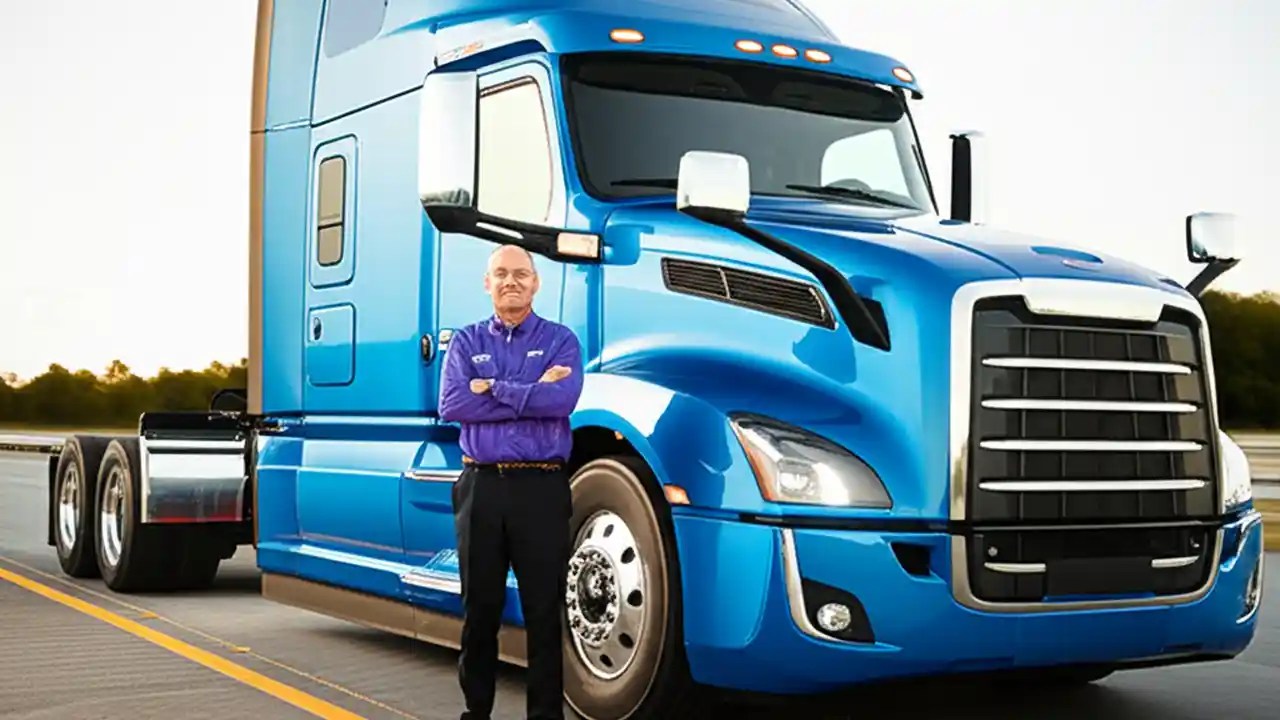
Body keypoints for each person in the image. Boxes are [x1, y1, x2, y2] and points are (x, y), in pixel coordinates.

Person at [438, 244, 584, 720]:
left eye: (521, 273)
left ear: (536, 282)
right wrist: (532, 390)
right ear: (487, 283)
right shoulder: (466, 341)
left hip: (541, 488)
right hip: (480, 488)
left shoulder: (561, 340)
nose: (511, 281)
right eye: (500, 273)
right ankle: (475, 712)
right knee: (480, 610)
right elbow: (453, 404)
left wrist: (494, 388)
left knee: (544, 612)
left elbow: (561, 401)